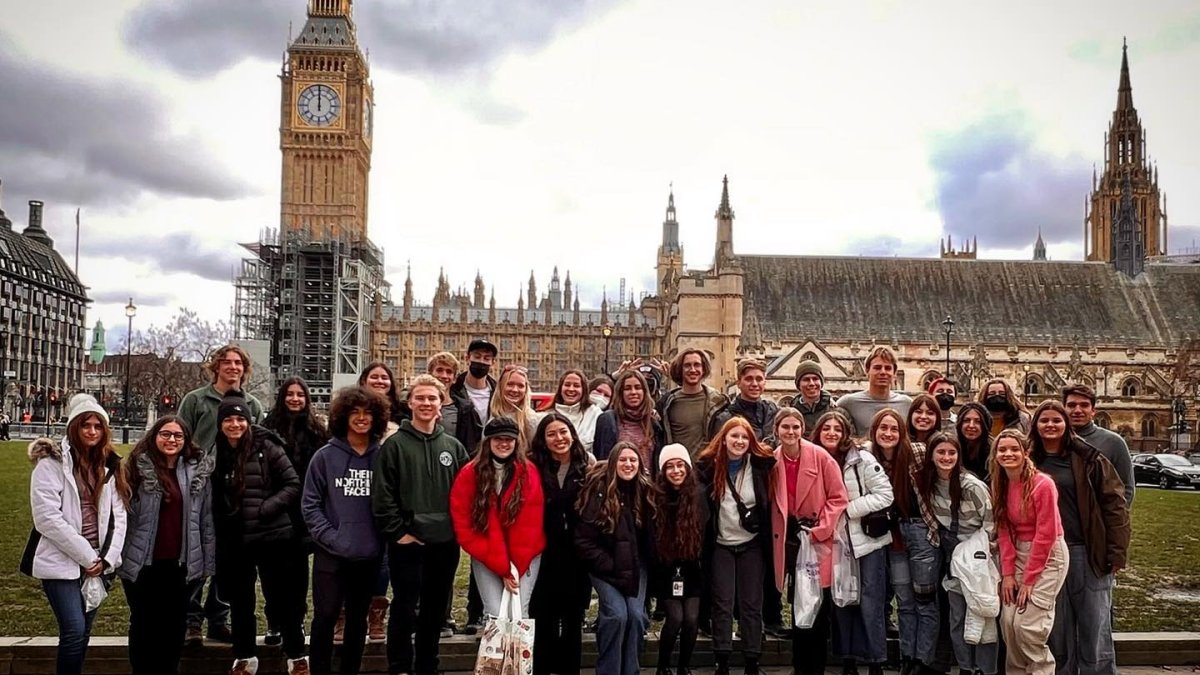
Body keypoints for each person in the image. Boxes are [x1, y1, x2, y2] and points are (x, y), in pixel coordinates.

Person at [372, 374, 470, 675]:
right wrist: (399, 533)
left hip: (444, 543)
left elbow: (467, 493)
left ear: (441, 404)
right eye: (421, 398)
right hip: (408, 543)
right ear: (410, 402)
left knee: (434, 611)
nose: (426, 403)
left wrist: (458, 531)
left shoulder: (452, 447)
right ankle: (400, 666)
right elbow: (383, 495)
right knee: (404, 608)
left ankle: (428, 665)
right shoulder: (394, 445)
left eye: (432, 398)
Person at [26, 394, 129, 675]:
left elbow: (119, 517)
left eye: (98, 426)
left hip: (99, 562)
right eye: (86, 425)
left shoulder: (109, 466)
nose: (92, 431)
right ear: (74, 428)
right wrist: (86, 556)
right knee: (73, 629)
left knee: (83, 632)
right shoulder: (50, 464)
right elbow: (47, 518)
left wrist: (106, 560)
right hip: (62, 561)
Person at [1029, 400, 1130, 675]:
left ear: (1066, 425)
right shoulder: (1027, 461)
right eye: (1044, 420)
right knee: (1055, 629)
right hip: (1047, 554)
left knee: (1094, 627)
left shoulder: (1091, 458)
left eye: (1056, 420)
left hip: (1087, 551)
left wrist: (1116, 552)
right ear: (1035, 425)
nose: (1050, 425)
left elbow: (1115, 506)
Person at [210, 391, 306, 675]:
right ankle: (244, 656)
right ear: (221, 423)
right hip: (237, 540)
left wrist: (266, 508)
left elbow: (292, 484)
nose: (235, 424)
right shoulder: (217, 452)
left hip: (273, 536)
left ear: (249, 421)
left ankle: (297, 655)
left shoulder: (267, 446)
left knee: (282, 600)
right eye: (228, 419)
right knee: (241, 603)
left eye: (240, 418)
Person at [178, 344, 263, 644]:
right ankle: (190, 621)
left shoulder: (251, 405)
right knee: (195, 550)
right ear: (216, 367)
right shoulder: (196, 400)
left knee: (228, 556)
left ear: (244, 368)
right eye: (225, 362)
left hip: (235, 490)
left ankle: (218, 618)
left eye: (237, 362)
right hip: (199, 488)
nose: (232, 367)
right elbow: (180, 441)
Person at [120, 415, 215, 675]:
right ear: (154, 436)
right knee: (143, 624)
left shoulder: (197, 471)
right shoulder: (136, 468)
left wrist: (206, 562)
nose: (171, 439)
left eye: (177, 435)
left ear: (185, 440)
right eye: (165, 434)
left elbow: (205, 519)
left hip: (180, 565)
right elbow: (121, 515)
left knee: (174, 627)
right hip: (143, 564)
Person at [303, 386, 387, 675]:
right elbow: (310, 505)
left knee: (357, 620)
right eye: (355, 412)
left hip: (369, 553)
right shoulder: (325, 457)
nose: (361, 418)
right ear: (343, 416)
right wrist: (331, 537)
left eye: (367, 413)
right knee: (325, 617)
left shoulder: (383, 457)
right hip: (332, 554)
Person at [812, 410, 893, 675]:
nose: (832, 433)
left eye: (837, 429)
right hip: (834, 543)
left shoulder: (862, 459)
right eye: (827, 429)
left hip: (867, 541)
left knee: (871, 601)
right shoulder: (814, 460)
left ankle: (876, 661)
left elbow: (885, 494)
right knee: (841, 600)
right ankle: (847, 659)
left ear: (846, 433)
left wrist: (848, 509)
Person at [769, 408, 849, 675]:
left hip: (816, 538)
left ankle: (816, 666)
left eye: (795, 427)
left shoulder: (821, 457)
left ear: (802, 429)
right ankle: (799, 665)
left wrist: (821, 528)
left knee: (817, 603)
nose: (790, 432)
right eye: (785, 427)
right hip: (788, 539)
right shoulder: (773, 459)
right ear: (776, 430)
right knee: (796, 601)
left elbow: (838, 497)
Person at [694, 417, 776, 675]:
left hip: (751, 545)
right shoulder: (708, 467)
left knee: (752, 603)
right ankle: (723, 658)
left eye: (744, 437)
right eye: (734, 436)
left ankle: (752, 658)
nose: (739, 442)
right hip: (721, 544)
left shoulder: (761, 466)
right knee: (723, 602)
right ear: (724, 439)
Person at [916, 432, 997, 675]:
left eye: (952, 452)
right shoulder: (929, 485)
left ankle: (985, 668)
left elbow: (992, 525)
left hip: (978, 559)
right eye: (940, 452)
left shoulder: (972, 487)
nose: (946, 457)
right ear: (931, 455)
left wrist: (979, 556)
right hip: (953, 559)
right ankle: (965, 666)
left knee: (983, 615)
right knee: (958, 618)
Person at [864, 409, 938, 675]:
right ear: (874, 431)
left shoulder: (917, 452)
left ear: (902, 432)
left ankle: (923, 659)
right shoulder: (867, 457)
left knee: (925, 599)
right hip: (893, 536)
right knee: (904, 600)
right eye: (883, 428)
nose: (888, 433)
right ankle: (908, 656)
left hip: (919, 530)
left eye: (894, 429)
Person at [990, 430, 1069, 675]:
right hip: (1019, 555)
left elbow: (1046, 534)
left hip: (1048, 557)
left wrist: (1030, 580)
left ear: (1026, 453)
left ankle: (1041, 670)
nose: (1008, 454)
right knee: (1009, 624)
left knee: (1028, 627)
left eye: (1014, 449)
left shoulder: (1043, 484)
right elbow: (1004, 531)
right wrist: (1009, 574)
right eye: (1002, 450)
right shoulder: (1001, 484)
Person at [451, 416, 546, 617]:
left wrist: (514, 568)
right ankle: (497, 650)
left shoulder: (528, 472)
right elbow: (464, 525)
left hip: (525, 555)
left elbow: (530, 525)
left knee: (518, 612)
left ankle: (518, 651)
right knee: (495, 613)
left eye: (509, 439)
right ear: (488, 442)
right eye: (498, 439)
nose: (504, 443)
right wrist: (502, 567)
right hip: (486, 552)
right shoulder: (470, 474)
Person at [575, 442, 657, 675]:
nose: (628, 464)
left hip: (634, 565)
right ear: (613, 463)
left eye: (633, 460)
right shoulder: (598, 491)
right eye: (623, 460)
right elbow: (584, 541)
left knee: (636, 616)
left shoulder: (645, 491)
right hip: (604, 565)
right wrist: (609, 566)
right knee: (617, 615)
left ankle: (630, 670)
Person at [262, 377, 330, 647]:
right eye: (289, 394)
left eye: (300, 394)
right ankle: (273, 618)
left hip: (303, 511)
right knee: (270, 571)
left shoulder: (316, 430)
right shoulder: (267, 428)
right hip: (273, 508)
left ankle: (296, 617)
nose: (294, 399)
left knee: (298, 572)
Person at [529, 413, 594, 675]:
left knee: (572, 617)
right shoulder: (533, 465)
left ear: (572, 433)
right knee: (543, 615)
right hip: (543, 550)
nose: (559, 438)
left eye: (563, 432)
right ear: (543, 440)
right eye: (552, 434)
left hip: (576, 552)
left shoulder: (587, 464)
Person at [650, 444, 709, 675]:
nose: (676, 471)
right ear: (663, 471)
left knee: (692, 619)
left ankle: (684, 666)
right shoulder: (655, 496)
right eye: (670, 467)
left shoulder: (699, 495)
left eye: (680, 465)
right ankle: (662, 666)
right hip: (666, 568)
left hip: (692, 567)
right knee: (675, 618)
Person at [1062, 385, 1135, 506]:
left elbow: (1126, 488)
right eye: (1071, 405)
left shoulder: (1114, 442)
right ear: (1063, 409)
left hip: (1099, 521)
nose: (1077, 410)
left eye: (1084, 405)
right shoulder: (1054, 440)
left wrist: (1114, 521)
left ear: (1093, 411)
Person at [657, 348, 729, 455]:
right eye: (687, 365)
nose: (692, 369)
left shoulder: (719, 402)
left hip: (707, 468)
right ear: (680, 369)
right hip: (678, 468)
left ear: (704, 369)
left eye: (697, 365)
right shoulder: (667, 403)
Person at [836, 346, 912, 437]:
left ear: (894, 373)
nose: (883, 372)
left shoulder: (907, 404)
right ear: (867, 371)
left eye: (888, 368)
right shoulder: (848, 402)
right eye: (877, 367)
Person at [594, 369, 664, 465]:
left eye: (638, 387)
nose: (633, 392)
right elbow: (601, 457)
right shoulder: (608, 420)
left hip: (647, 479)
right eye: (627, 388)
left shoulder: (654, 422)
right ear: (621, 393)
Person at [709, 358, 780, 445]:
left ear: (764, 382)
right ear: (738, 383)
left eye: (759, 379)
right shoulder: (726, 418)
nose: (754, 384)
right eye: (748, 379)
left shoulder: (773, 411)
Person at [449, 338, 499, 455]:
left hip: (490, 458)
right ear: (467, 358)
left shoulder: (499, 393)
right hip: (461, 457)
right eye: (477, 356)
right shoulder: (452, 390)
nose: (481, 361)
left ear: (493, 362)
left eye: (487, 358)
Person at [490, 364, 546, 450]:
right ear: (501, 386)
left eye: (520, 386)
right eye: (510, 384)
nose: (515, 390)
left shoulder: (531, 419)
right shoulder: (489, 413)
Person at [553, 369, 602, 454]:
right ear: (560, 388)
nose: (571, 389)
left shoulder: (595, 414)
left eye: (576, 385)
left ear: (584, 390)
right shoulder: (547, 414)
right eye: (567, 385)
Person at [791, 360, 839, 431]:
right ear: (798, 384)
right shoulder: (791, 415)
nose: (811, 383)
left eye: (815, 379)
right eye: (806, 379)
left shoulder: (837, 412)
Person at [359, 362, 405, 433]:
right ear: (364, 381)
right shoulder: (354, 406)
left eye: (384, 378)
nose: (380, 381)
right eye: (374, 377)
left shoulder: (402, 410)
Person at [956, 402, 993, 480]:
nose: (971, 425)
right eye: (966, 420)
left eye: (978, 421)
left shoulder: (994, 451)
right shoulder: (952, 447)